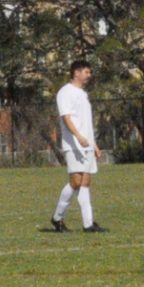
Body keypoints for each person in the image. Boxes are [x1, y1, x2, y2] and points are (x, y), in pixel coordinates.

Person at [49, 59, 106, 233]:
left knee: (86, 181)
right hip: (73, 144)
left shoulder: (82, 94)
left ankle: (88, 224)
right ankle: (57, 218)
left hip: (86, 144)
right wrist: (78, 137)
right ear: (76, 73)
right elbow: (66, 118)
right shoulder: (65, 92)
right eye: (87, 72)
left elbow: (85, 122)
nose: (89, 75)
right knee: (76, 181)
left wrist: (93, 144)